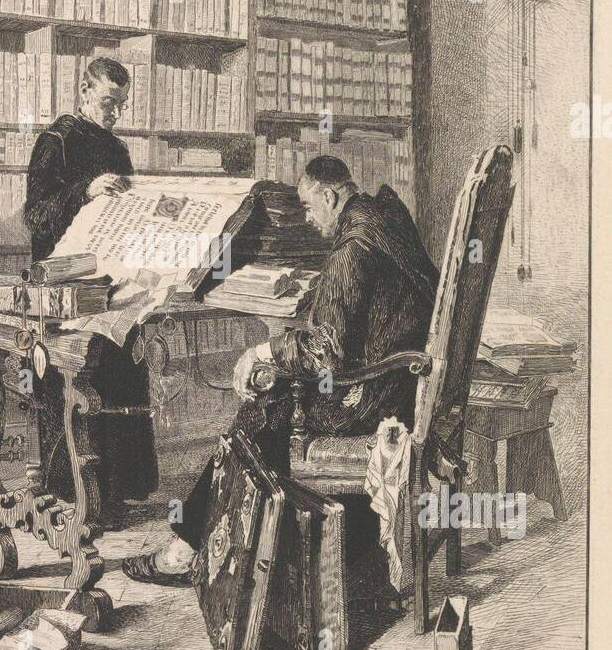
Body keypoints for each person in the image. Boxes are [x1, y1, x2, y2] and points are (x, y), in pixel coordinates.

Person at [122, 154, 439, 585]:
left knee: (263, 401)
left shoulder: (352, 250)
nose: (308, 219)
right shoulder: (387, 218)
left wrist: (263, 351)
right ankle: (245, 541)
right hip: (404, 382)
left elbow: (325, 354)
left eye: (310, 206)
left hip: (370, 397)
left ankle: (195, 550)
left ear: (330, 196)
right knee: (270, 395)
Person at [25, 56, 157, 504]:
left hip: (114, 280)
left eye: (121, 105)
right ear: (83, 94)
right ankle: (72, 493)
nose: (114, 114)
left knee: (121, 374)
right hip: (66, 285)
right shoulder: (55, 142)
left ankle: (119, 490)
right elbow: (36, 217)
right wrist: (84, 191)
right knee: (77, 381)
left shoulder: (118, 150)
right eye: (106, 103)